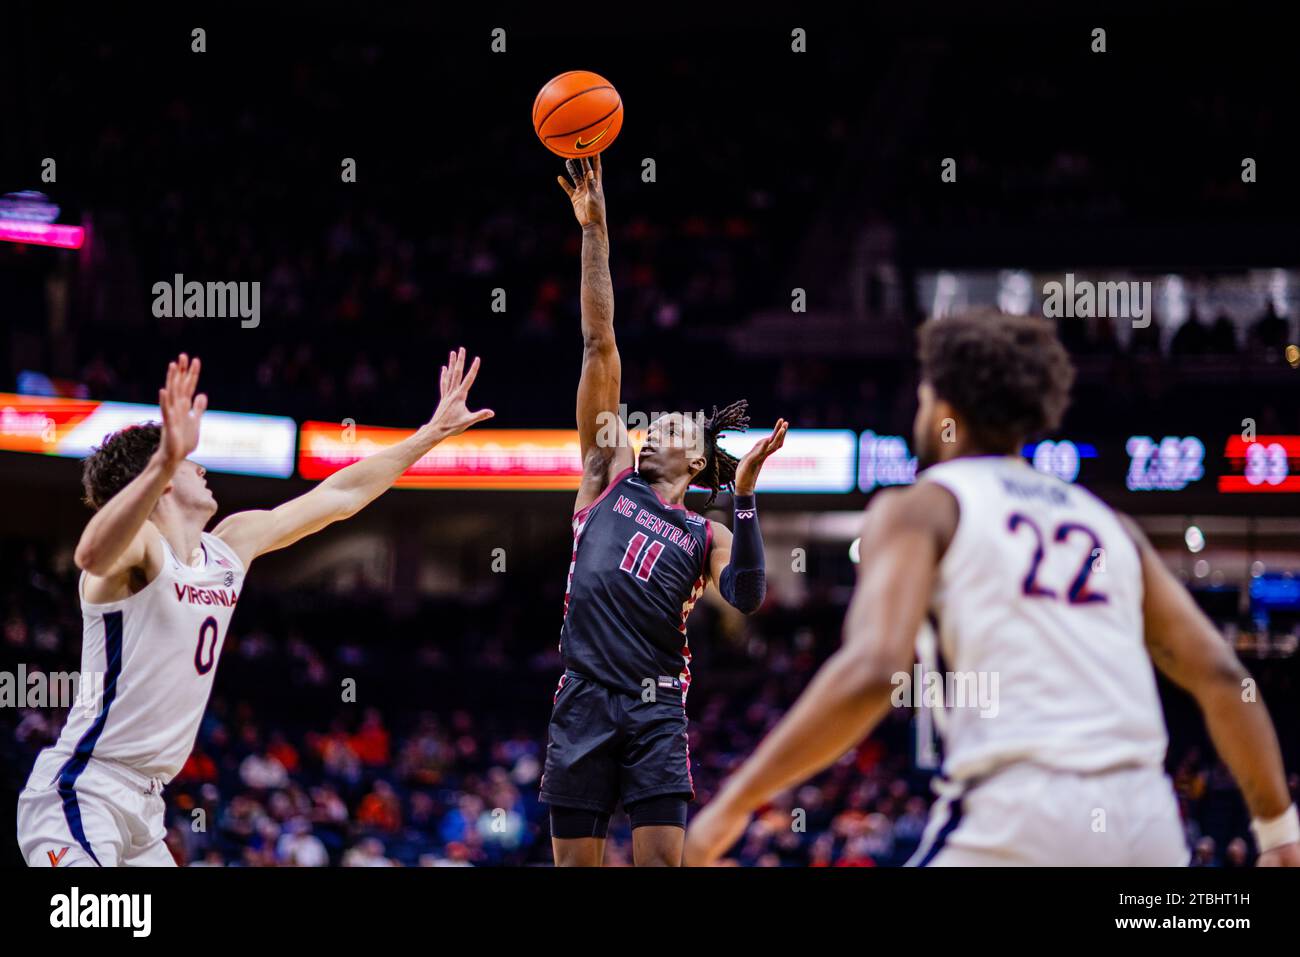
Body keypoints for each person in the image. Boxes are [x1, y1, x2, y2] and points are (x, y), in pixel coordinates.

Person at [685, 311, 1299, 867]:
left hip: (1017, 814)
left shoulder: (923, 506)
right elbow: (1222, 676)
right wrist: (1278, 833)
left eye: (924, 397)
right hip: (1148, 827)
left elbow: (874, 669)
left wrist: (730, 805)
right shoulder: (1110, 525)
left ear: (945, 413)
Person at [17, 348, 492, 866]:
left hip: (145, 806)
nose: (202, 469)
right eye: (188, 462)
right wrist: (163, 460)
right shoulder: (142, 551)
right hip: (83, 790)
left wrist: (429, 434)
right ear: (163, 477)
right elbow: (90, 553)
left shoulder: (228, 546)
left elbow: (341, 495)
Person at [543, 154, 787, 866]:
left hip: (654, 704)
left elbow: (746, 596)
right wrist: (596, 232)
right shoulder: (605, 476)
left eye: (674, 428)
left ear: (696, 460)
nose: (655, 431)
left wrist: (743, 498)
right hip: (583, 693)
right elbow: (599, 342)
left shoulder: (704, 530)